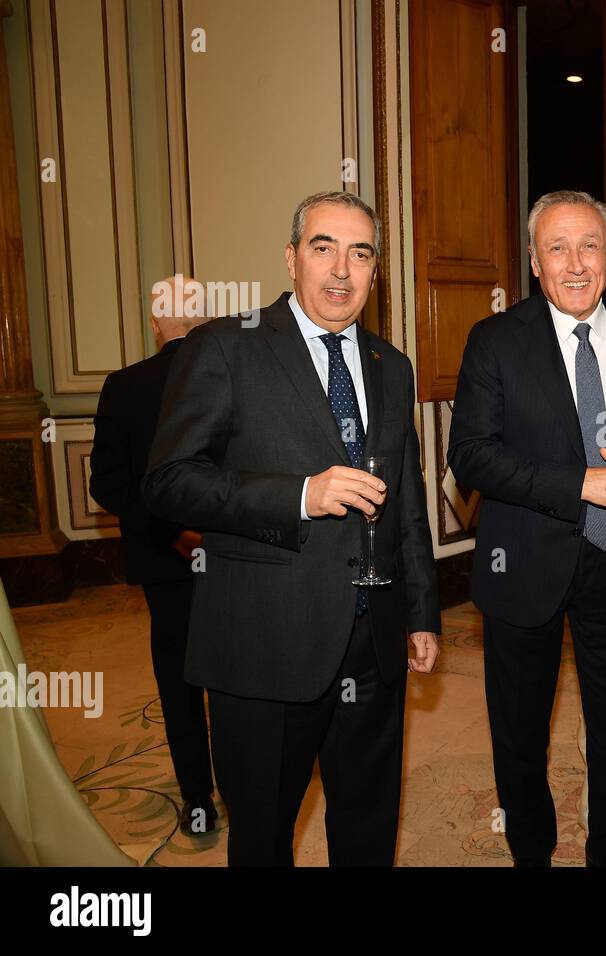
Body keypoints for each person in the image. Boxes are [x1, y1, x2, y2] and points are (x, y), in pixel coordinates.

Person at [143, 191, 440, 866]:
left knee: (368, 829)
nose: (342, 269)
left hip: (373, 641)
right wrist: (301, 495)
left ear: (375, 270)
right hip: (264, 643)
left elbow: (409, 504)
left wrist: (421, 613)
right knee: (264, 835)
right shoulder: (227, 347)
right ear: (290, 259)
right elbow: (167, 483)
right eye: (322, 247)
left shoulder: (389, 366)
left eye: (360, 253)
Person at [449, 189, 606, 867]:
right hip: (520, 564)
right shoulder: (494, 340)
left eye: (589, 246)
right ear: (533, 260)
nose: (575, 263)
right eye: (557, 247)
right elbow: (470, 454)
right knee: (519, 733)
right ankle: (532, 853)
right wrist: (577, 484)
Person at [90, 274, 215, 836]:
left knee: (179, 680)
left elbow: (107, 483)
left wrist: (171, 533)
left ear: (155, 322)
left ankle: (197, 801)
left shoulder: (123, 385)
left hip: (165, 563)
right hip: (235, 556)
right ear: (206, 317)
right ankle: (250, 787)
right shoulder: (230, 376)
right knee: (240, 677)